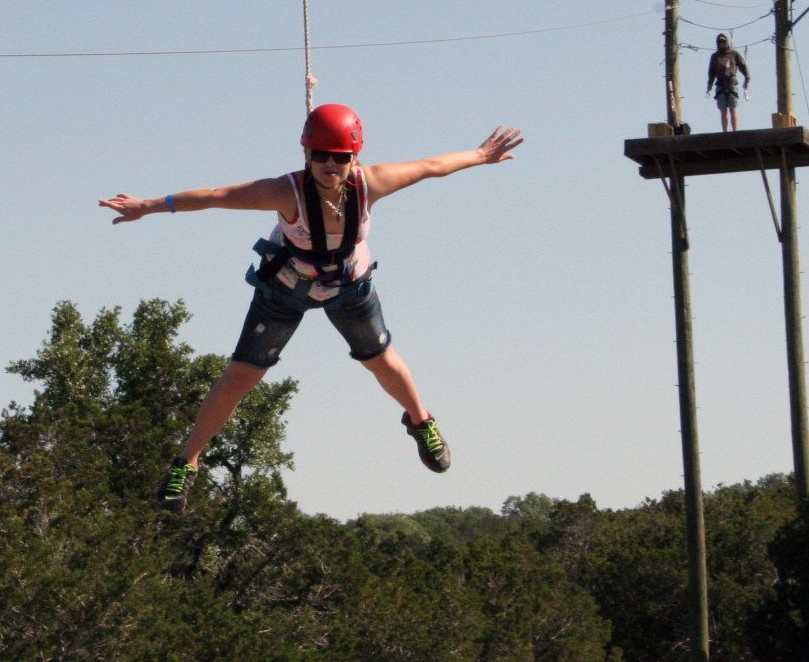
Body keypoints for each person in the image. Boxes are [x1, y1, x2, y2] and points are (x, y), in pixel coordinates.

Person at [99, 104, 523, 512]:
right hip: (285, 289)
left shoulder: (371, 182)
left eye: (339, 157)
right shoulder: (286, 192)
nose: (329, 164)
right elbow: (216, 196)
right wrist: (149, 206)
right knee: (239, 378)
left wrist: (481, 156)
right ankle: (186, 464)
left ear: (354, 156)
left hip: (348, 287)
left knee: (380, 359)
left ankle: (421, 422)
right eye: (319, 155)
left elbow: (430, 167)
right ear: (306, 152)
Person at [706, 33, 751, 131]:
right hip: (720, 85)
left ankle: (734, 131)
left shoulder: (734, 53)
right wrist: (709, 84)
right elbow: (711, 72)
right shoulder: (714, 56)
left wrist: (747, 78)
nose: (721, 43)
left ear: (727, 42)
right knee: (723, 111)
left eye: (723, 41)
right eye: (719, 42)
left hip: (731, 84)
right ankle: (725, 132)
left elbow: (743, 65)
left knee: (733, 109)